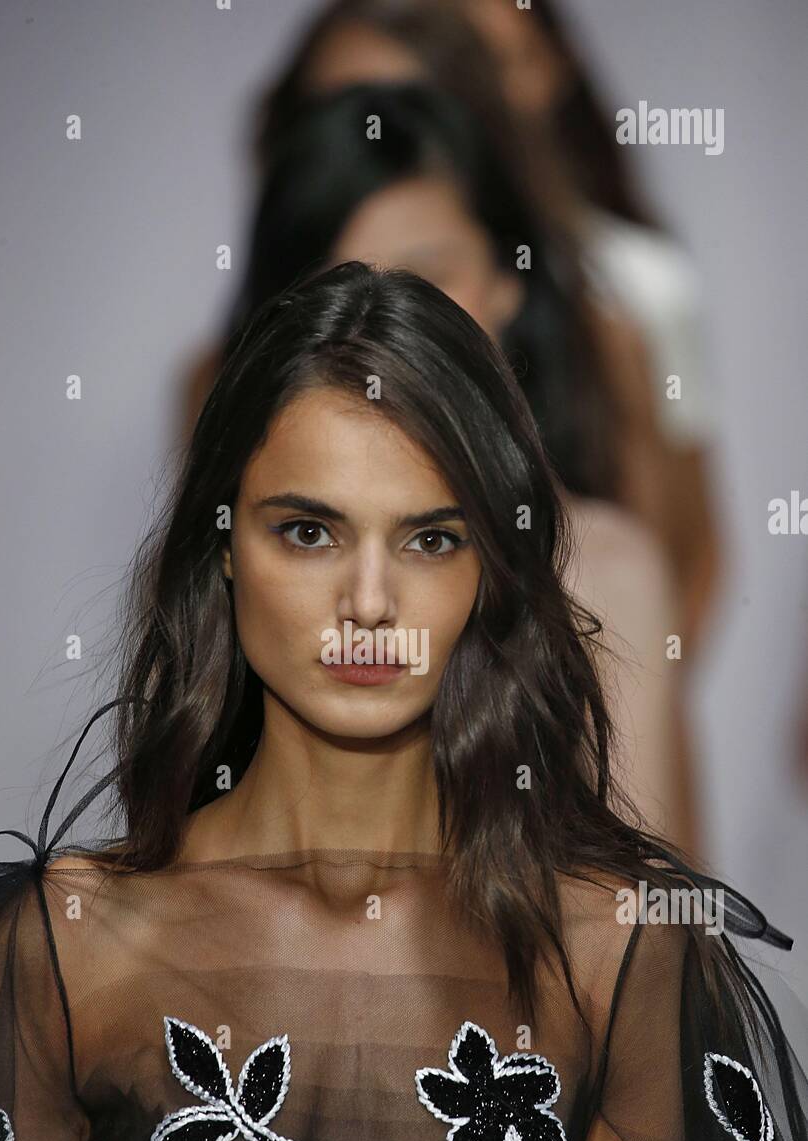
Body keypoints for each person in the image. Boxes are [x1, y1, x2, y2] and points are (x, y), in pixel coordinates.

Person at [0, 263, 805, 1141]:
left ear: (487, 564)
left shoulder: (614, 950)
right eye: (307, 531)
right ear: (221, 545)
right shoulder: (66, 949)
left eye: (429, 538)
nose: (367, 600)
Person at [194, 80, 696, 850]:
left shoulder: (609, 567)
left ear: (510, 281)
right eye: (306, 532)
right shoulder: (225, 559)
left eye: (433, 541)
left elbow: (652, 901)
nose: (388, 324)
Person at [251, 0, 721, 653]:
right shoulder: (231, 372)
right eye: (336, 110)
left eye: (408, 104)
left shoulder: (616, 325)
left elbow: (689, 566)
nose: (371, 138)